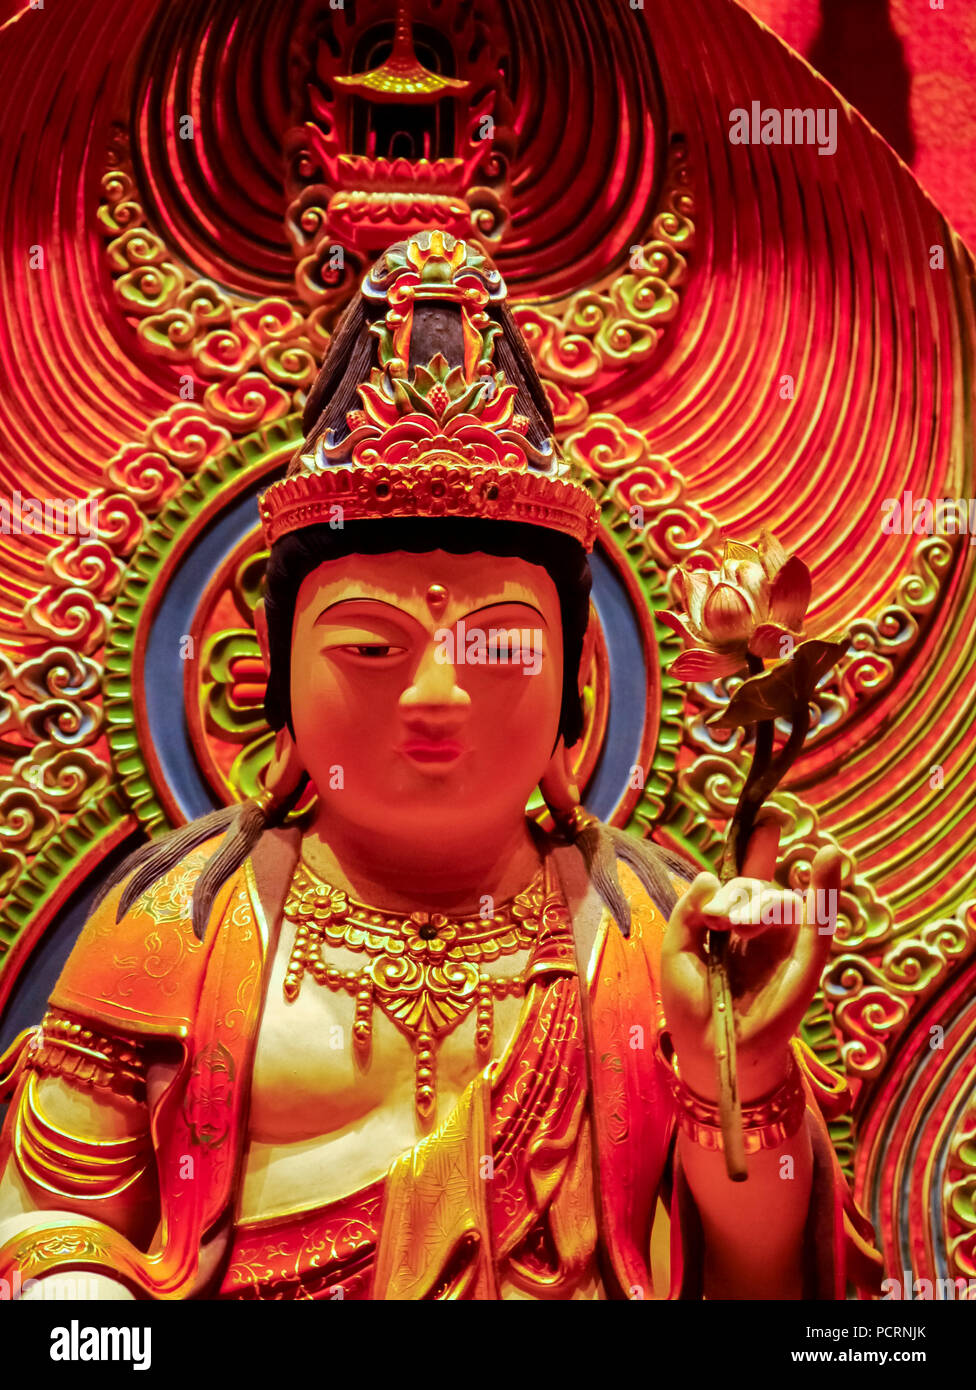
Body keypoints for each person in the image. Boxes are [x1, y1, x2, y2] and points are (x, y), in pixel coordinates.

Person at [0, 230, 882, 1300]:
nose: (434, 694)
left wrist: (731, 1077)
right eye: (369, 647)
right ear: (272, 680)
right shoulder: (177, 921)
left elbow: (766, 1288)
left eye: (503, 646)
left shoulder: (649, 931)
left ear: (576, 692)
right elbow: (45, 1232)